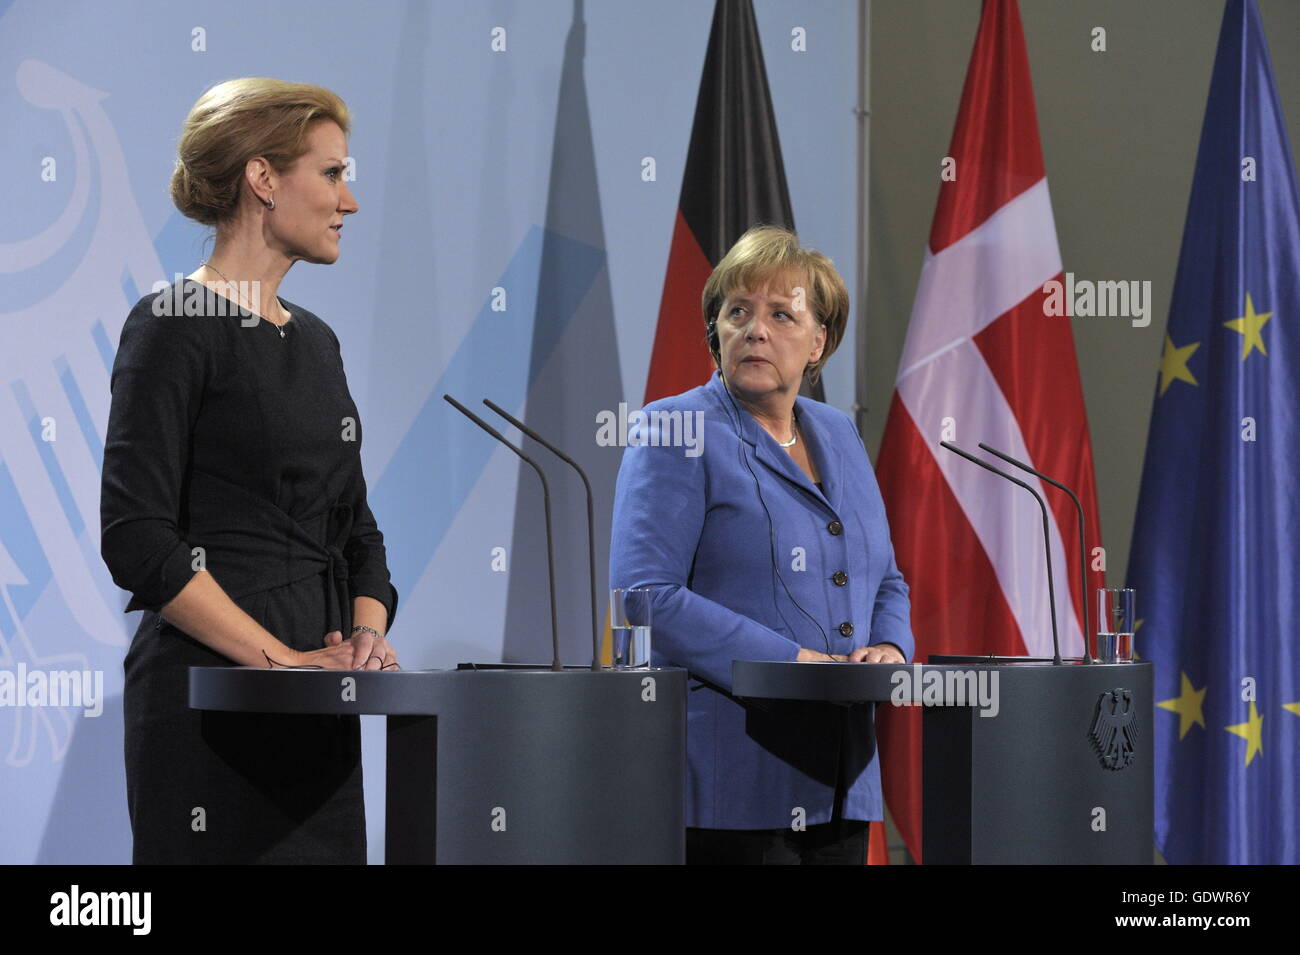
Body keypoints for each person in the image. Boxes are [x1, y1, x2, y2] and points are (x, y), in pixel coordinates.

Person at [100, 78, 398, 864]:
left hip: (318, 705)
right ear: (263, 178)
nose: (350, 200)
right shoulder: (172, 326)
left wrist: (365, 639)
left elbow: (356, 529)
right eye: (332, 173)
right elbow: (137, 538)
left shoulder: (318, 342)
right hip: (210, 701)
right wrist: (277, 659)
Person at [610, 225, 913, 865]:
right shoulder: (674, 429)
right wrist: (792, 664)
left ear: (818, 342)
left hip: (842, 774)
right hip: (730, 775)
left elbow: (885, 577)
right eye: (738, 312)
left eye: (782, 314)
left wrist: (889, 647)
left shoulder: (839, 434)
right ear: (715, 331)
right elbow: (644, 597)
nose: (756, 330)